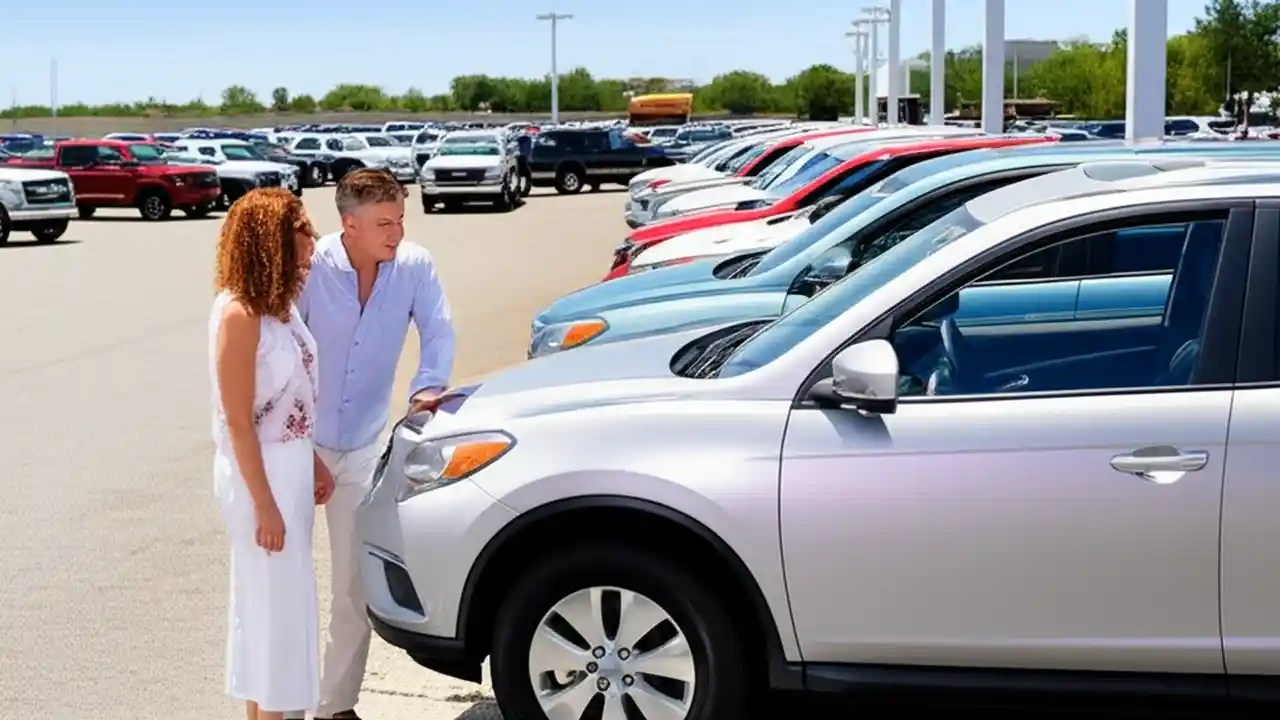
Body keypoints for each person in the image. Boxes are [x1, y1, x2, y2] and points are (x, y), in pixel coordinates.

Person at [292, 168, 456, 720]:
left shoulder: (414, 266)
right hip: (297, 445)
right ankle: (282, 704)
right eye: (384, 223)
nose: (396, 232)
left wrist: (427, 385)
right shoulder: (311, 270)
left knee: (352, 585)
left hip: (362, 447)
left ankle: (334, 707)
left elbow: (438, 330)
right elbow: (287, 355)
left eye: (401, 219)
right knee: (288, 584)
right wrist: (302, 446)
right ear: (349, 225)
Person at [210, 187, 336, 720]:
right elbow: (238, 421)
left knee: (282, 614)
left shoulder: (281, 307)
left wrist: (312, 460)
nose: (312, 241)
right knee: (269, 615)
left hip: (290, 469)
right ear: (271, 241)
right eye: (302, 231)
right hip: (257, 479)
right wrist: (264, 504)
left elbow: (292, 396)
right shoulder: (239, 313)